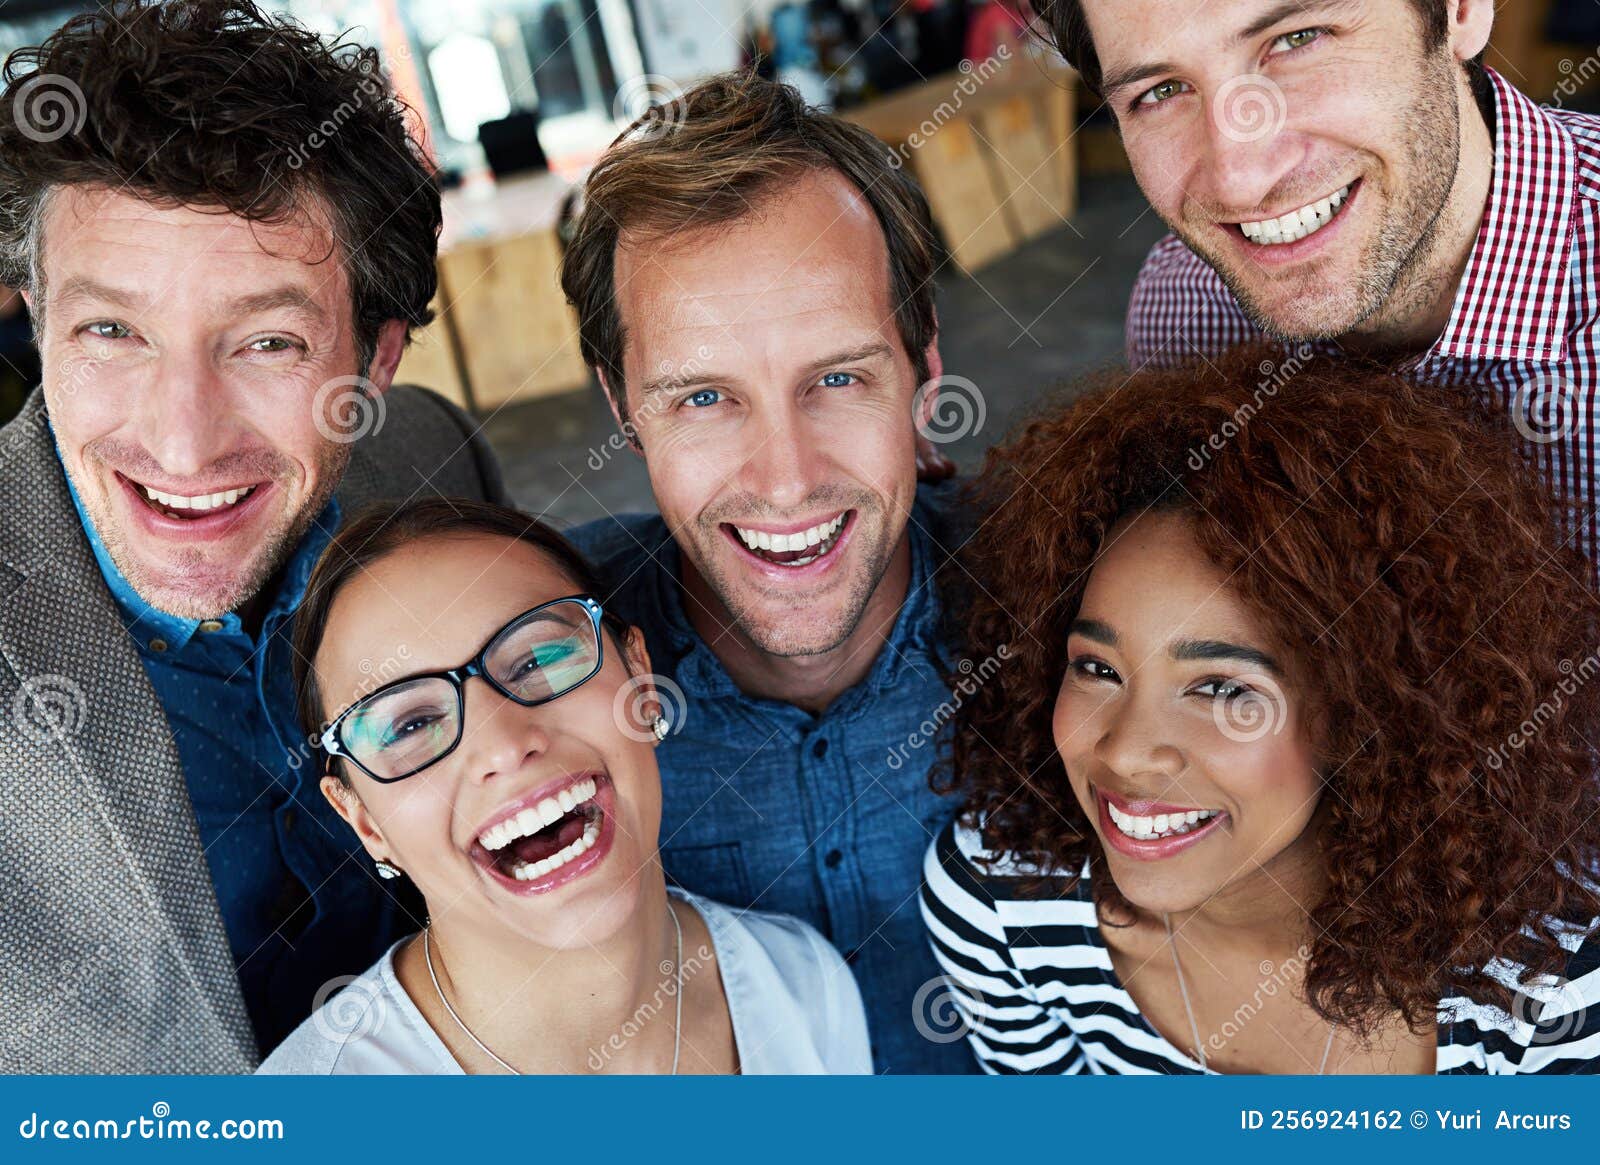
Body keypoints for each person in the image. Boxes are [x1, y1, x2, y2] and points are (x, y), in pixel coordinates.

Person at [0, 0, 504, 1072]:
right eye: (109, 331)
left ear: (373, 364)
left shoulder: (431, 463)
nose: (183, 442)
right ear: (37, 318)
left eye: (268, 340)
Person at [921, 351, 1600, 1073]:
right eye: (1096, 667)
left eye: (1221, 687)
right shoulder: (1001, 903)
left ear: (1365, 719)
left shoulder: (1551, 991)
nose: (1125, 753)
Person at [559, 72, 975, 1073]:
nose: (786, 480)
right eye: (703, 397)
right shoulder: (538, 683)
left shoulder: (1084, 602)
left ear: (922, 372)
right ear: (622, 407)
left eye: (837, 379)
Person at [261, 499, 870, 1075]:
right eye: (412, 723)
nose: (502, 744)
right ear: (366, 822)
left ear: (642, 682)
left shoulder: (802, 980)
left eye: (536, 659)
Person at [1032, 0, 1600, 560]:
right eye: (1160, 91)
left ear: (1460, 11)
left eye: (1297, 40)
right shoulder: (1178, 305)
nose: (1240, 182)